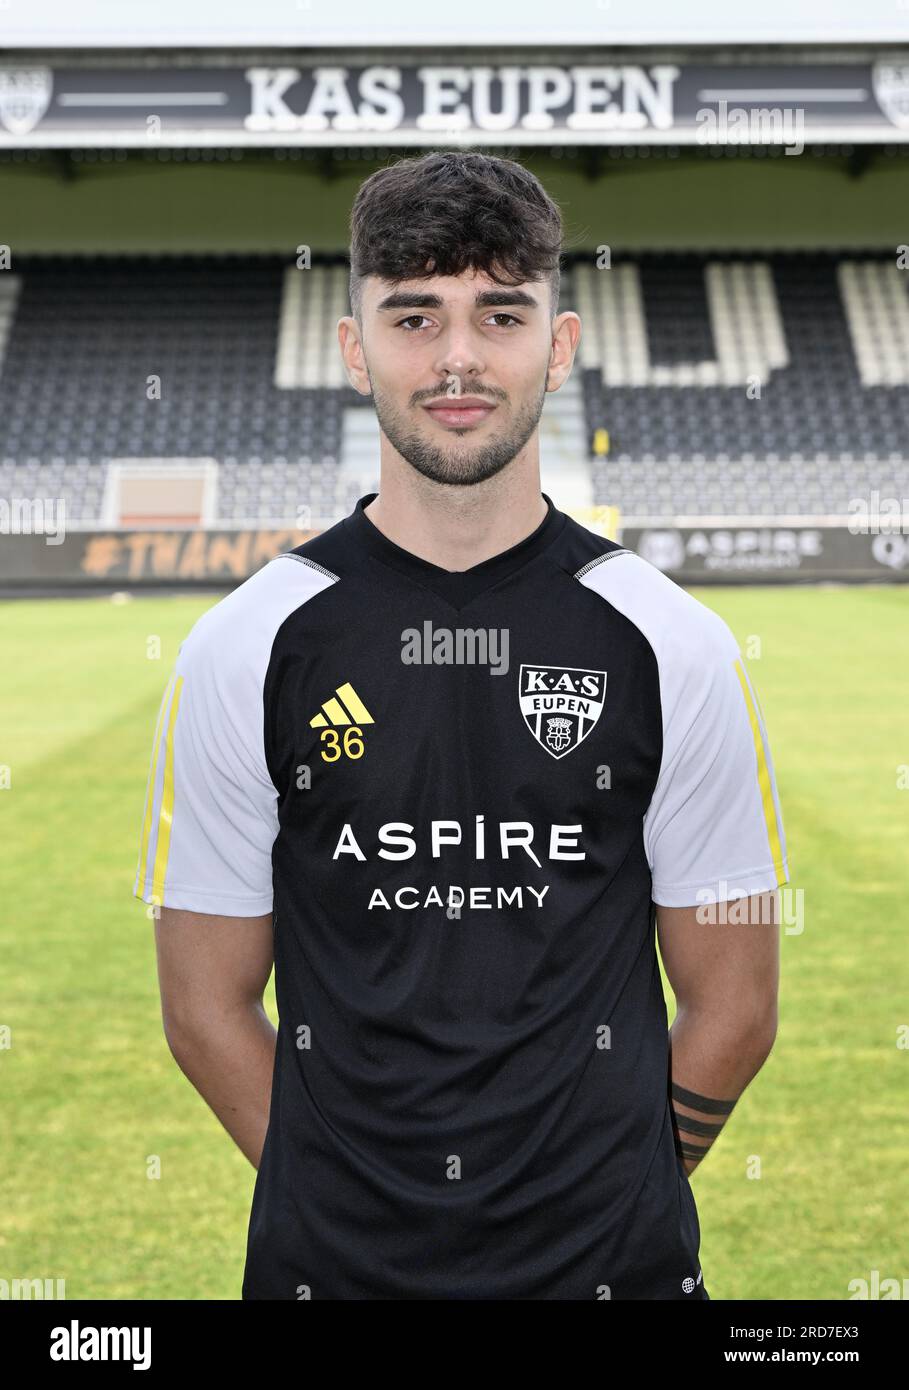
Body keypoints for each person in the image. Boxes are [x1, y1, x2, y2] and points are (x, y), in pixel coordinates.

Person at [134, 150, 788, 1300]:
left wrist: (609, 1189)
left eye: (500, 312)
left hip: (612, 1274)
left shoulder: (675, 644)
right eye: (413, 314)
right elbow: (204, 1005)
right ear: (354, 348)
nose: (457, 358)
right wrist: (355, 1203)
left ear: (562, 342)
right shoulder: (245, 645)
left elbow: (734, 1005)